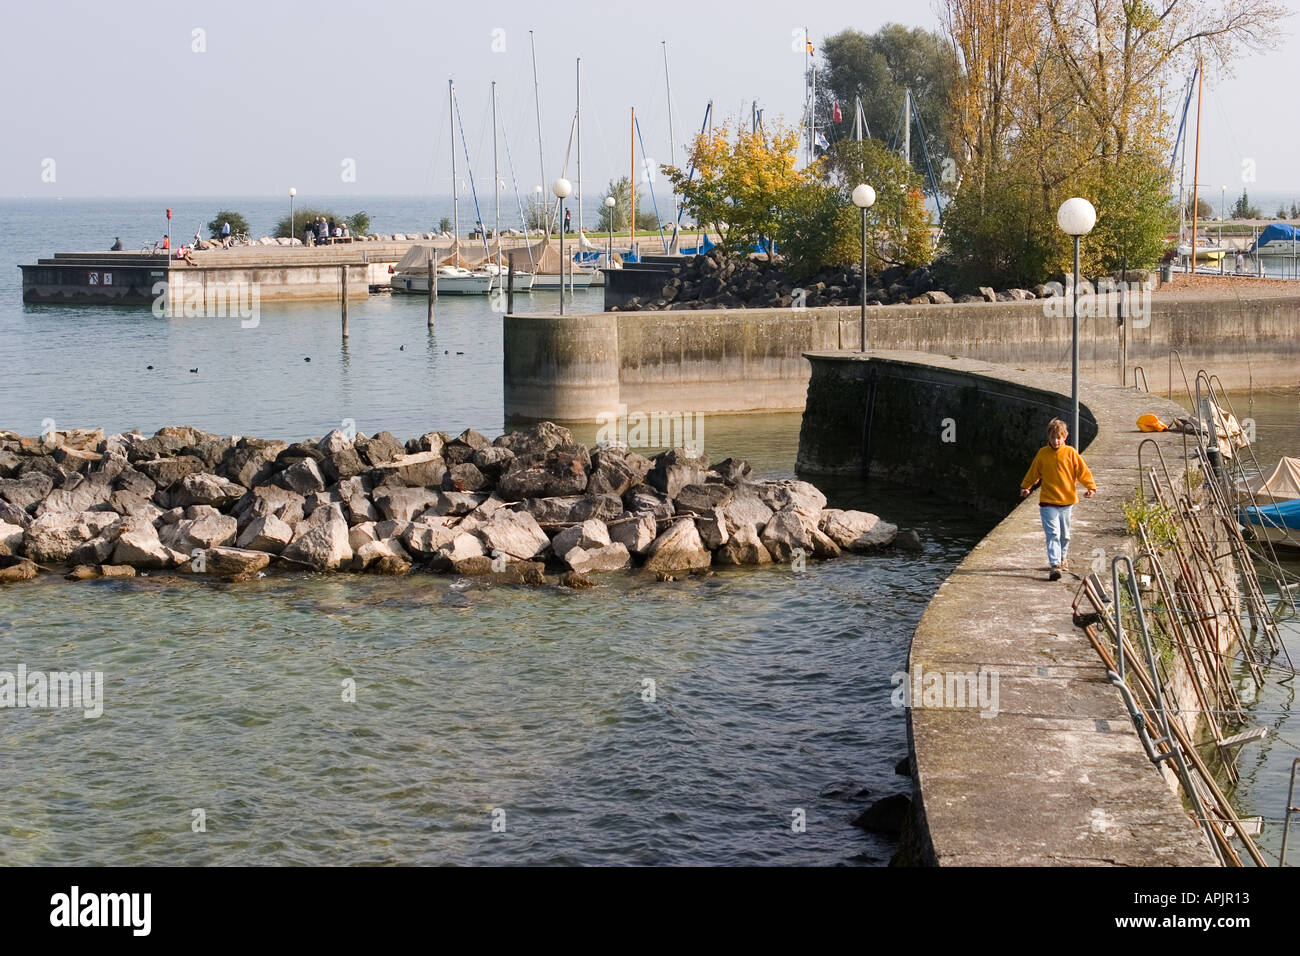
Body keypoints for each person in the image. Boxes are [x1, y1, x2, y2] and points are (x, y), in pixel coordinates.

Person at [1019, 418, 1097, 581]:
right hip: (1048, 502)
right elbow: (1034, 472)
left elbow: (1082, 471)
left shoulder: (1070, 453)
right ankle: (1055, 564)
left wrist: (1090, 487)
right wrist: (1026, 486)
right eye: (1053, 437)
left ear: (1065, 437)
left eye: (1059, 438)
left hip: (1067, 501)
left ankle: (1062, 558)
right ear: (1048, 437)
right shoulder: (1042, 454)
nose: (1056, 441)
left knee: (1065, 535)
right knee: (1053, 533)